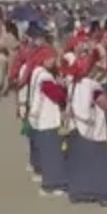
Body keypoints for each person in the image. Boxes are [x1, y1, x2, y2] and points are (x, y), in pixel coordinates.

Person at [65, 54, 107, 207]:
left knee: (79, 162)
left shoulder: (72, 82)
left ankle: (80, 192)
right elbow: (106, 105)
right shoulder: (93, 86)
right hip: (92, 130)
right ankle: (106, 196)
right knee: (102, 164)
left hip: (75, 127)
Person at [26, 46, 68, 197]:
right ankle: (54, 184)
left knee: (47, 153)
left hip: (39, 119)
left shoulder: (36, 72)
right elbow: (57, 95)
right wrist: (62, 87)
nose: (53, 61)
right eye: (51, 58)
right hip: (48, 119)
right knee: (53, 154)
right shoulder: (45, 77)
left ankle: (50, 182)